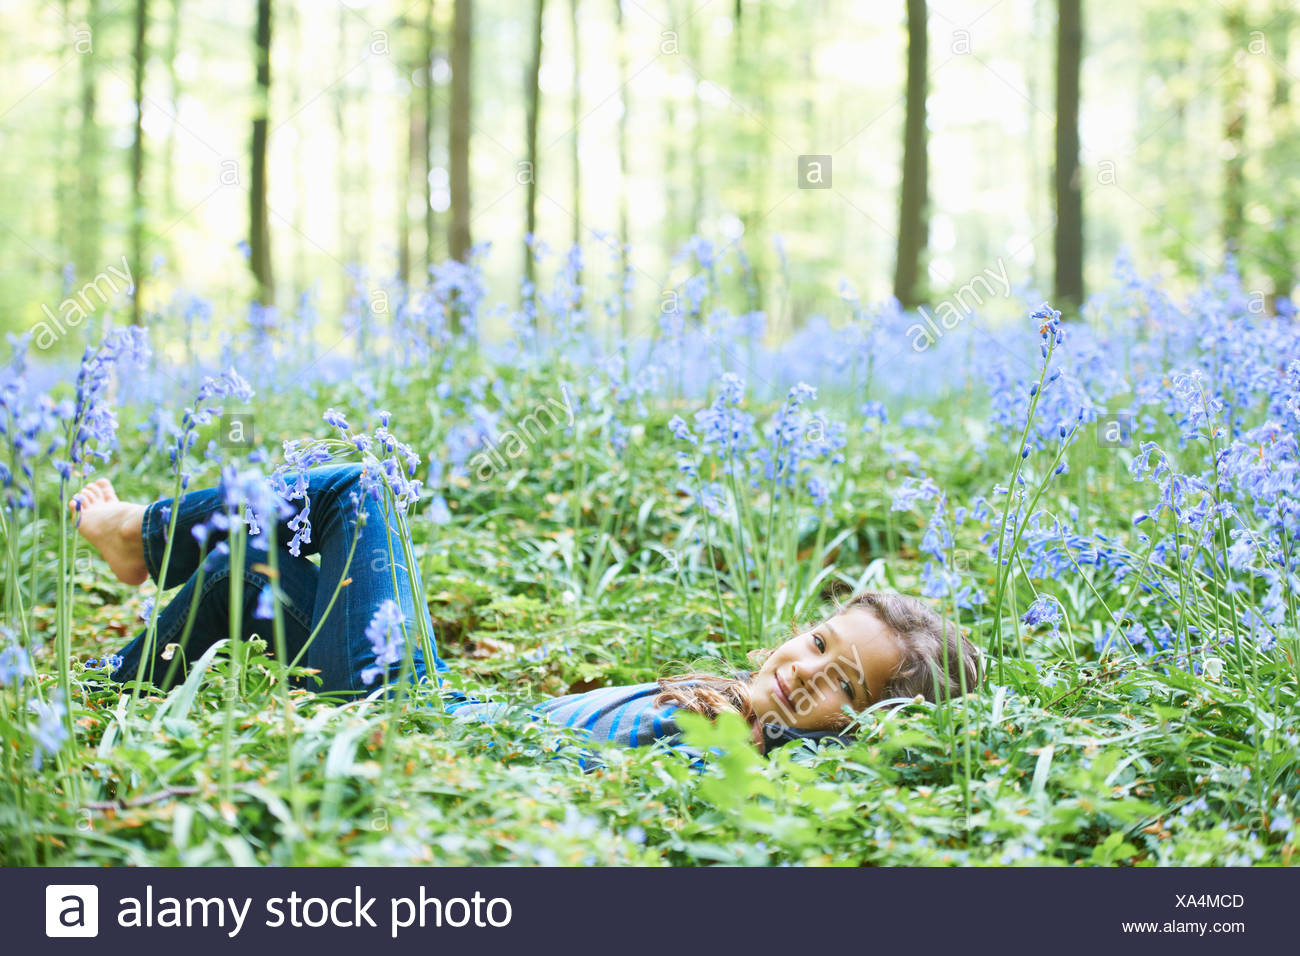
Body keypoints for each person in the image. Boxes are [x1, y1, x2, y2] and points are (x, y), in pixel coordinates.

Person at [71, 463, 982, 761]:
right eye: (820, 642)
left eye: (840, 685)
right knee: (253, 563)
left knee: (363, 488)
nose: (803, 671)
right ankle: (113, 688)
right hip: (434, 693)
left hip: (419, 715)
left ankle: (136, 534)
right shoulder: (726, 702)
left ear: (864, 724)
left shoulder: (733, 748)